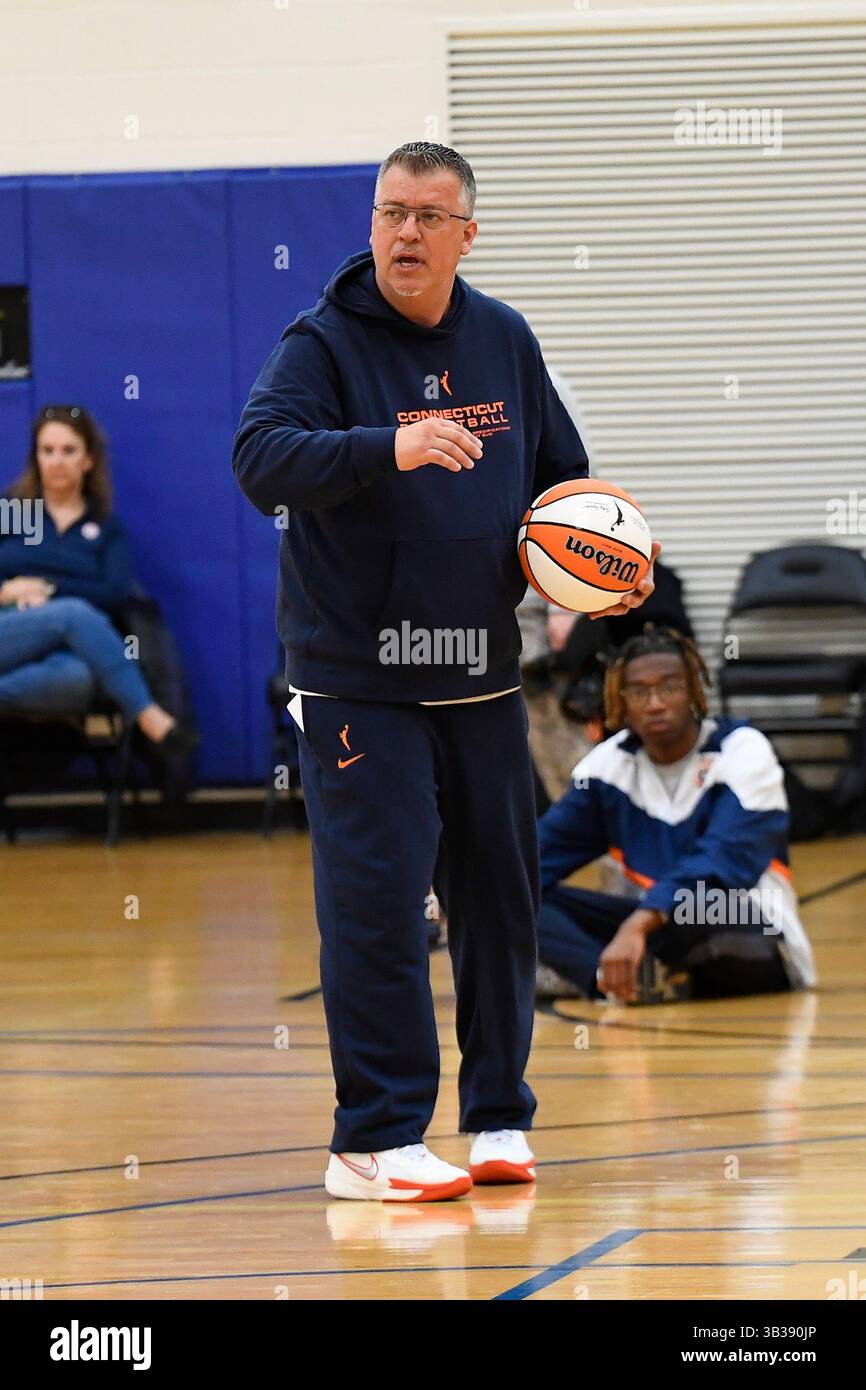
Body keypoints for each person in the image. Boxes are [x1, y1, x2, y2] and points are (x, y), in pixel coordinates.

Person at [233, 142, 659, 1202]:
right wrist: (390, 445)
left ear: (467, 234)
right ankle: (370, 1140)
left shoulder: (504, 339)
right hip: (355, 683)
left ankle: (500, 1115)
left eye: (429, 215)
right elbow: (259, 459)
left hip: (476, 673)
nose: (405, 233)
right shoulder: (321, 341)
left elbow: (559, 483)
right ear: (371, 225)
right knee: (378, 910)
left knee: (498, 901)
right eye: (390, 213)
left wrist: (595, 568)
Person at [535, 625, 816, 1003]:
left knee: (698, 907)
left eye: (670, 687)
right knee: (512, 895)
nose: (655, 703)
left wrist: (637, 923)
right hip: (657, 927)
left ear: (695, 692)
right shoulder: (605, 769)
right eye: (639, 691)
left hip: (743, 924)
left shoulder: (744, 751)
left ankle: (642, 970)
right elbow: (535, 858)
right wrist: (466, 893)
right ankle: (611, 982)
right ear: (619, 699)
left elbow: (721, 864)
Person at [0, 404, 190, 760]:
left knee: (76, 680)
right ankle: (149, 715)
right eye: (47, 450)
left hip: (68, 649)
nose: (57, 460)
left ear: (88, 460)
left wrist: (48, 590)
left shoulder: (105, 526)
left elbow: (114, 593)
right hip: (7, 627)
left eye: (68, 450)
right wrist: (6, 590)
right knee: (71, 612)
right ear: (35, 457)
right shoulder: (12, 511)